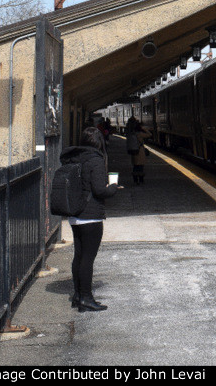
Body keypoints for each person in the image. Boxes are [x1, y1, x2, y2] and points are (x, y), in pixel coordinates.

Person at [60, 126, 121, 312]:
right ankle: (86, 298)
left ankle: (78, 295)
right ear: (99, 142)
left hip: (75, 215)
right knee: (88, 258)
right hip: (91, 216)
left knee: (78, 256)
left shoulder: (73, 157)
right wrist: (114, 187)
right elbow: (100, 190)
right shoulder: (96, 160)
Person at [125, 115, 149, 185]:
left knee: (135, 166)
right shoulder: (140, 134)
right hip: (140, 151)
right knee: (140, 167)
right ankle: (141, 180)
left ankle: (135, 181)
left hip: (133, 151)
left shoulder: (129, 133)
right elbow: (149, 134)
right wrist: (144, 128)